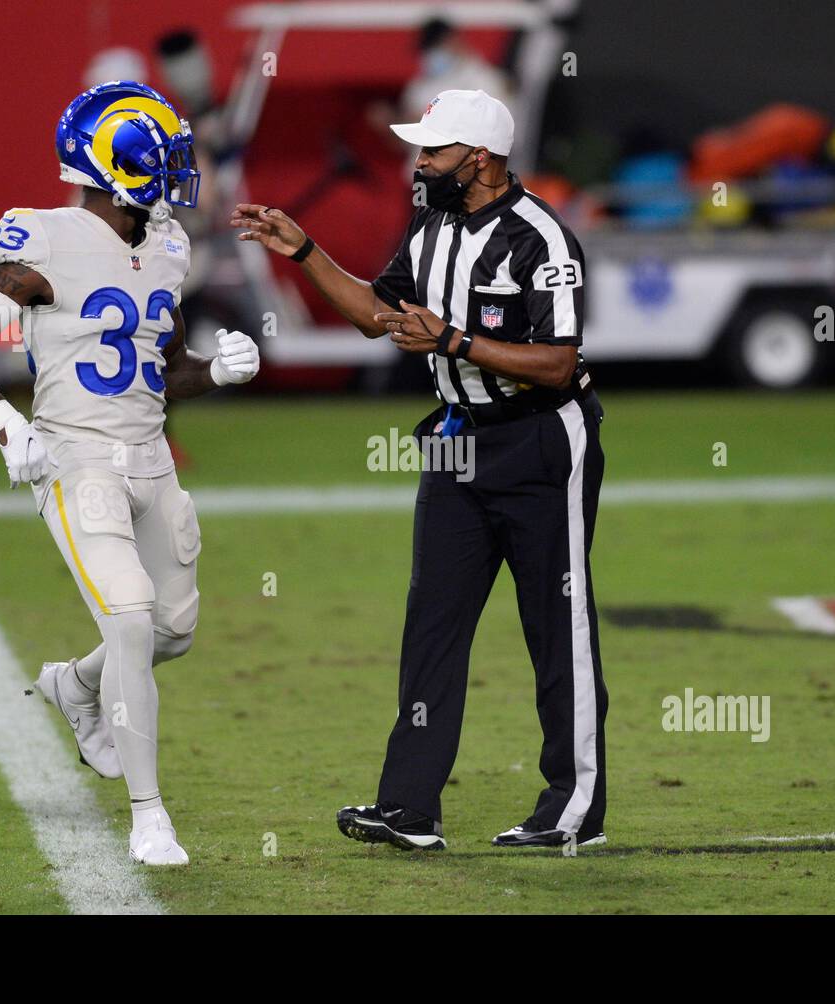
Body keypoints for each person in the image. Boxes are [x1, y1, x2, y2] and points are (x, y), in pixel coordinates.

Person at [232, 89, 607, 852]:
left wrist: (456, 343)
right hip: (458, 439)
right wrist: (304, 252)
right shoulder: (433, 225)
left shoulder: (540, 238)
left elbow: (562, 364)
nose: (419, 162)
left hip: (540, 442)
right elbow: (380, 313)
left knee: (556, 628)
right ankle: (409, 807)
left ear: (480, 158)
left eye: (433, 151)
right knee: (431, 624)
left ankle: (574, 808)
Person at [0, 81, 261, 866]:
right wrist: (5, 424)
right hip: (75, 460)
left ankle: (74, 686)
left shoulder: (169, 245)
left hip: (151, 460)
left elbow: (161, 371)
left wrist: (219, 373)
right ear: (118, 163)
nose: (179, 173)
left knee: (172, 630)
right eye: (166, 158)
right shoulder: (44, 240)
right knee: (134, 618)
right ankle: (150, 816)